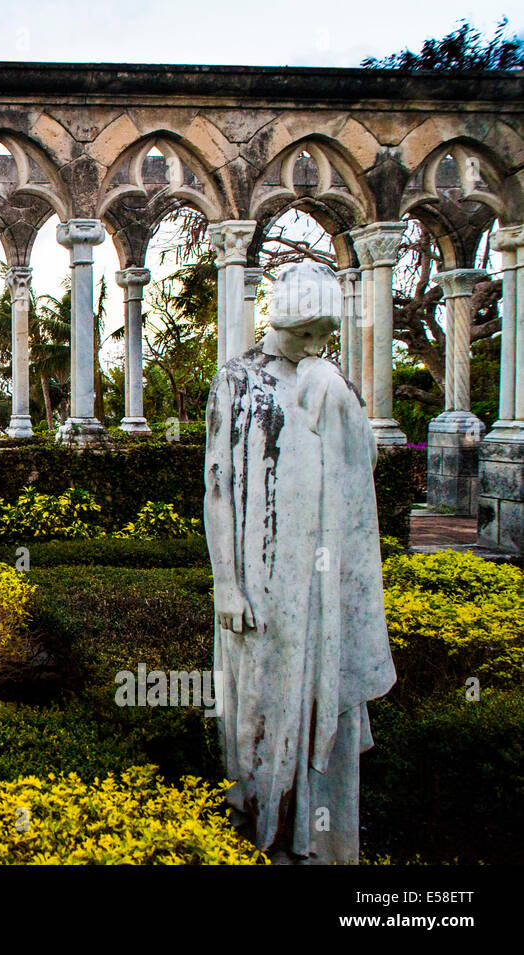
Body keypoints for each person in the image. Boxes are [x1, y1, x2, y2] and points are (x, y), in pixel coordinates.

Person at [204, 261, 395, 864]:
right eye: (306, 331)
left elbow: (358, 476)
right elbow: (218, 485)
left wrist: (336, 397)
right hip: (260, 577)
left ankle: (315, 842)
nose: (315, 345)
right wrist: (227, 584)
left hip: (318, 579)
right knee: (258, 707)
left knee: (314, 694)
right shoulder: (237, 380)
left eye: (324, 333)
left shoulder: (330, 381)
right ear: (279, 320)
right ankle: (263, 829)